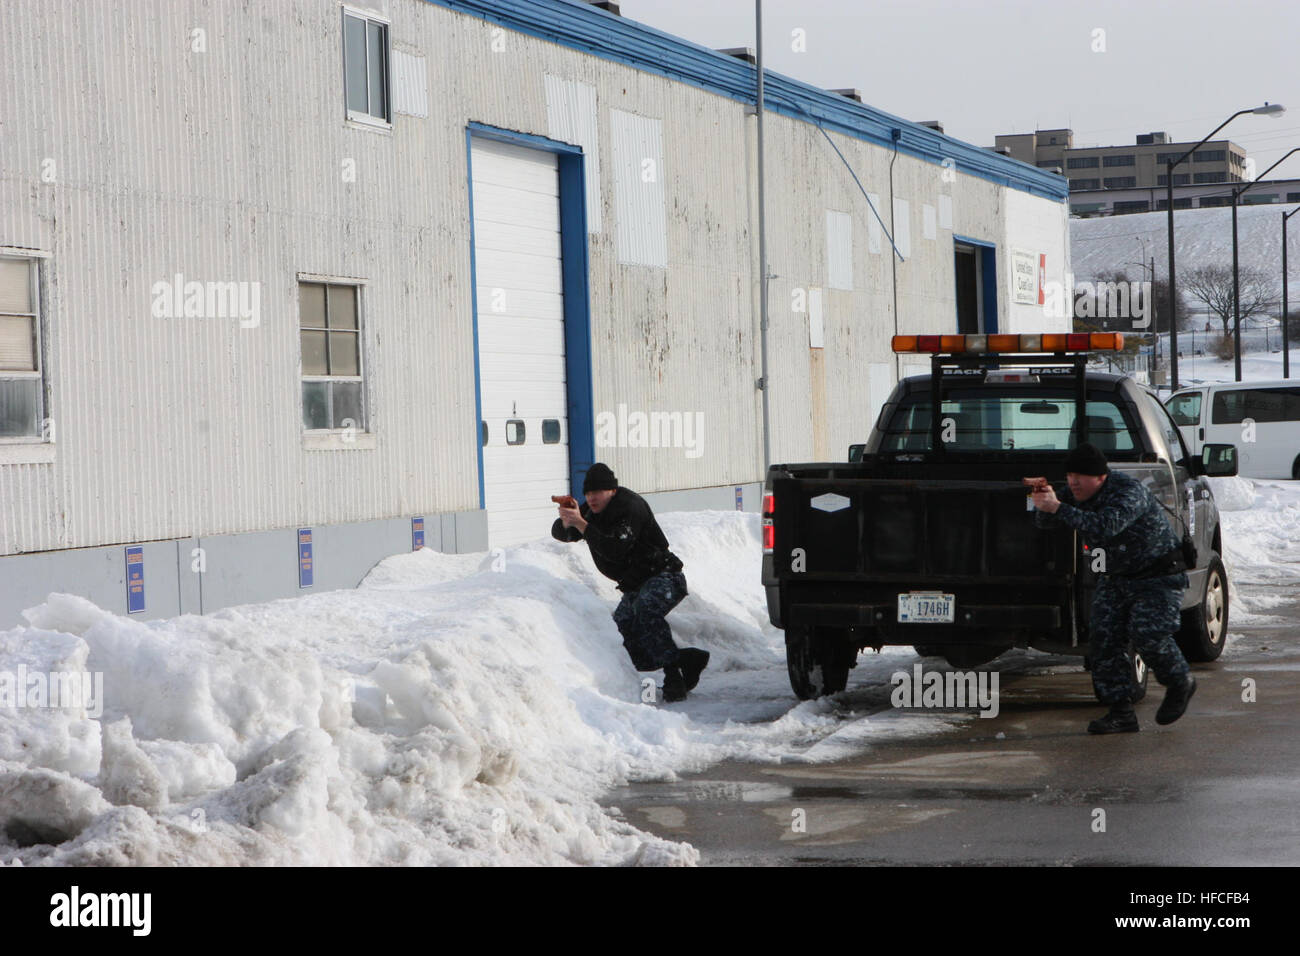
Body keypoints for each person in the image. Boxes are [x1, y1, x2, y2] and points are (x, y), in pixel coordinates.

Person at [1027, 442, 1196, 734]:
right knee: (1104, 639)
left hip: (1157, 577)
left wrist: (1058, 507)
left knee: (1148, 635)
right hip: (1117, 577)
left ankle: (1180, 681)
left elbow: (1105, 526)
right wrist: (1043, 501)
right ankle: (1120, 712)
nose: (1072, 483)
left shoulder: (1128, 492)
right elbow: (1047, 522)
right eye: (1069, 476)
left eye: (1079, 477)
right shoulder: (1076, 492)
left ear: (1100, 477)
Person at [551, 463, 709, 702]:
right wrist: (567, 518)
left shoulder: (630, 506)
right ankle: (687, 660)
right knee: (621, 641)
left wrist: (582, 523)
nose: (591, 498)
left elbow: (615, 548)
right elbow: (563, 534)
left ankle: (673, 676)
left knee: (646, 611)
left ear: (612, 490)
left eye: (597, 492)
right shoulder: (592, 510)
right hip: (635, 585)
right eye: (588, 493)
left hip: (664, 575)